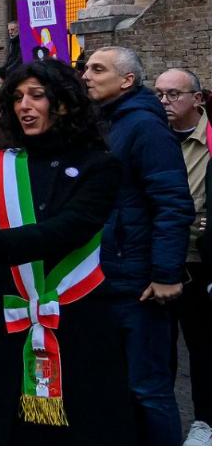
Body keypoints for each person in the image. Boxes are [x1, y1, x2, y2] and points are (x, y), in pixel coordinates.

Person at [0, 59, 134, 444]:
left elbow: (67, 230)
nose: (24, 105)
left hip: (75, 316)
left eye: (37, 96)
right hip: (2, 314)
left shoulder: (99, 165)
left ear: (63, 103)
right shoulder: (0, 161)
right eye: (18, 97)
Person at [81, 46, 194, 446]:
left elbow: (172, 201)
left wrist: (165, 273)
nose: (86, 75)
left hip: (140, 281)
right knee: (118, 386)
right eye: (86, 68)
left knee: (148, 388)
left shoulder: (144, 127)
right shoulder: (109, 122)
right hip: (111, 274)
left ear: (127, 80)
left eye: (97, 69)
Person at [154, 68, 211, 445]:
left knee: (203, 345)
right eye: (159, 94)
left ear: (198, 99)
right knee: (159, 347)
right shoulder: (152, 137)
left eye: (173, 95)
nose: (164, 102)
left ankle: (205, 420)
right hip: (157, 259)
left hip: (199, 263)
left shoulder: (210, 141)